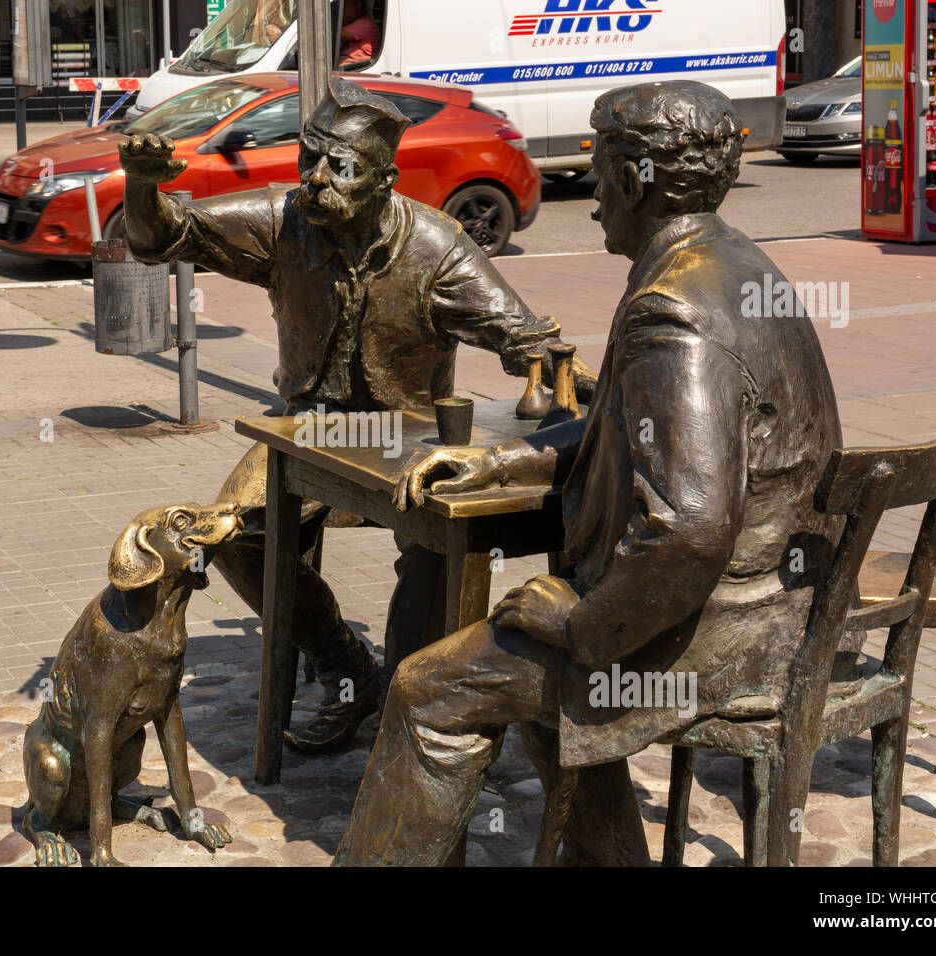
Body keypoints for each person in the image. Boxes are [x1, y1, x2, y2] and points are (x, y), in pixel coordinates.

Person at [333, 81, 844, 865]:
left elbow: (693, 530)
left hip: (713, 632)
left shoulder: (676, 311)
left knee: (426, 690)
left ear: (637, 178)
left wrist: (580, 627)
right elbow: (626, 423)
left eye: (599, 169)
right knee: (528, 666)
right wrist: (497, 458)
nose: (593, 194)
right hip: (775, 603)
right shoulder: (734, 262)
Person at [118, 78, 589, 753]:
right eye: (311, 158)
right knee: (234, 534)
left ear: (384, 180)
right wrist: (141, 185)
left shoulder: (438, 246)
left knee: (438, 549)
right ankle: (347, 666)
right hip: (309, 431)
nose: (316, 179)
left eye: (339, 166)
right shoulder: (286, 222)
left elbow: (520, 336)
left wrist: (562, 369)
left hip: (415, 440)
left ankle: (417, 699)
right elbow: (165, 236)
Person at [339, 0, 380, 67]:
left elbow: (334, 33)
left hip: (356, 69)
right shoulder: (350, 24)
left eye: (344, 7)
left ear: (358, 6)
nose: (341, 11)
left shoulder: (365, 23)